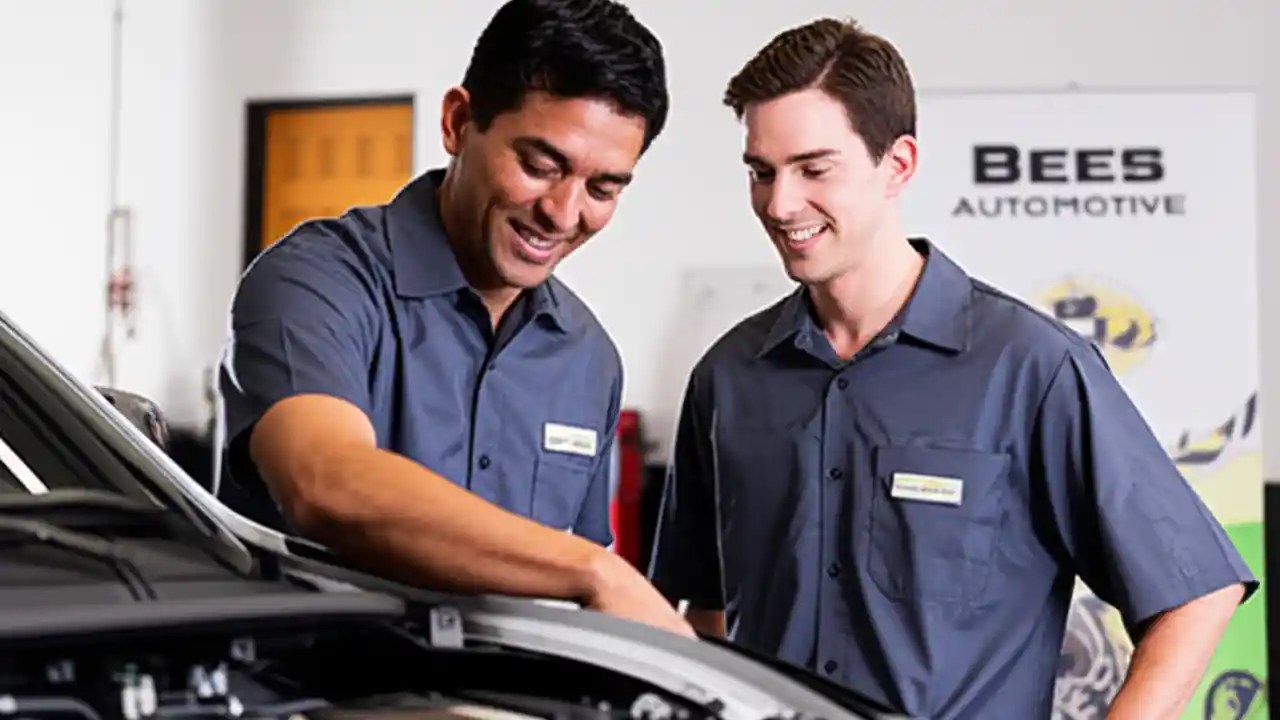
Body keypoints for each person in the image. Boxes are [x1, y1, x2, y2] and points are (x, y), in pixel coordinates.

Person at [646, 16, 1257, 718]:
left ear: (898, 164)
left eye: (814, 169)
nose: (781, 204)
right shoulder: (728, 378)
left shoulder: (1030, 369)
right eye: (762, 172)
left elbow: (1195, 592)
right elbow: (709, 614)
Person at [217, 0, 694, 638]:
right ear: (459, 122)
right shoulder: (317, 281)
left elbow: (569, 611)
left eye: (603, 188)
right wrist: (595, 571)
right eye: (539, 165)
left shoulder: (588, 358)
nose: (563, 212)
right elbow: (324, 480)